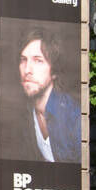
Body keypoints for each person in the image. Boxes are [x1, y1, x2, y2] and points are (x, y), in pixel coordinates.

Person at [16, 27, 81, 163]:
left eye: (38, 60)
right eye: (23, 60)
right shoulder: (24, 115)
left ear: (54, 70)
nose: (27, 70)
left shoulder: (74, 115)